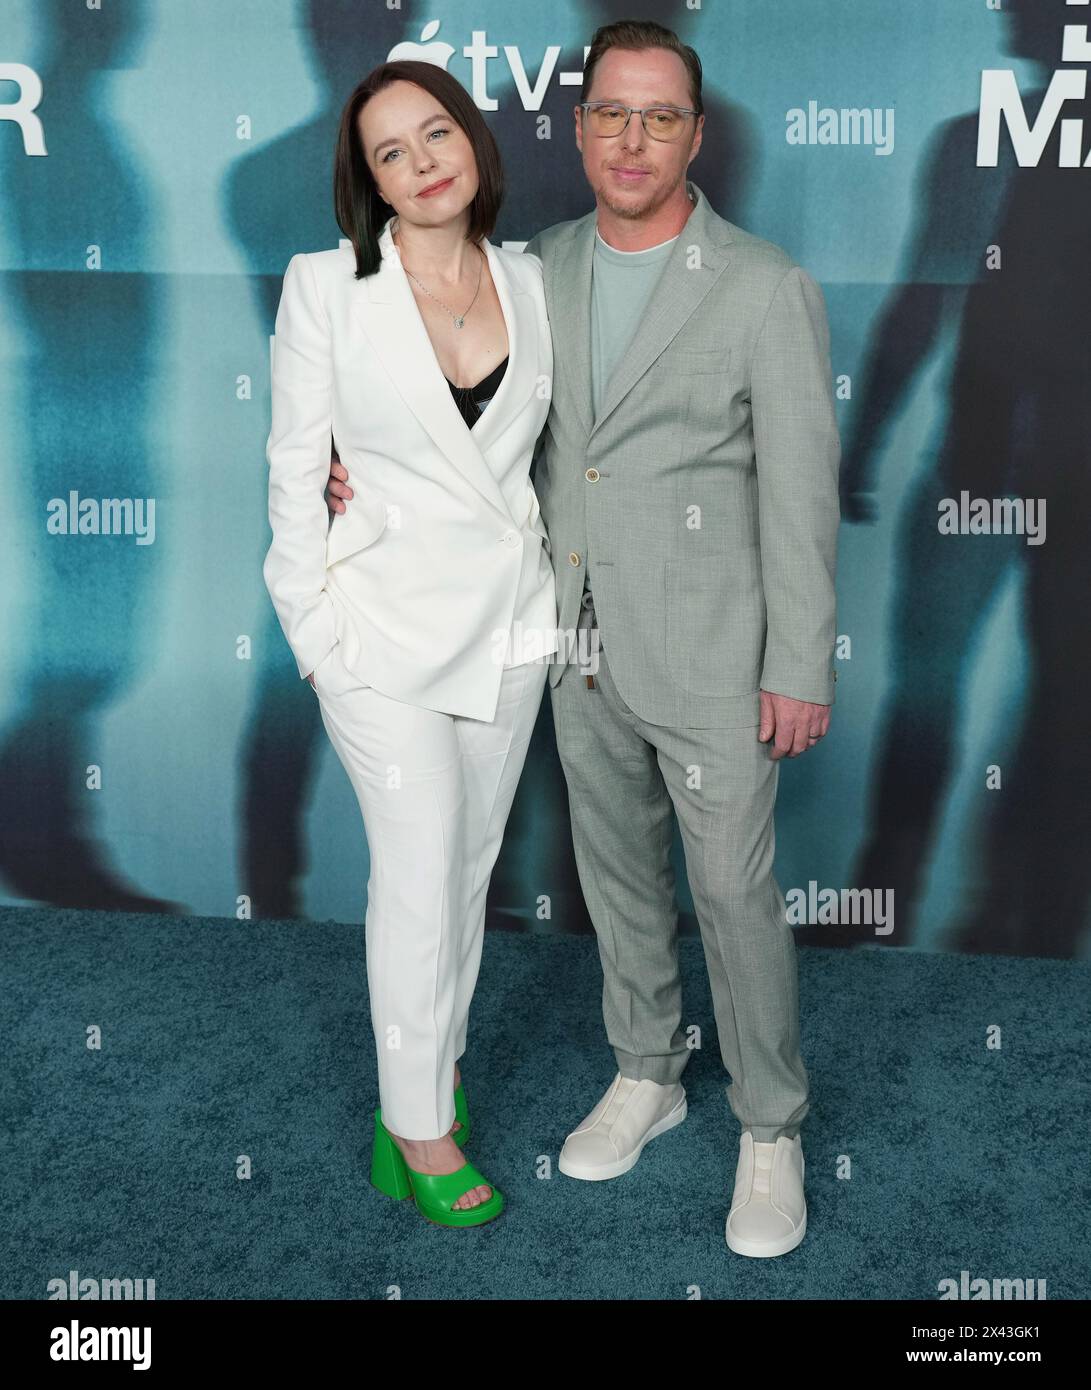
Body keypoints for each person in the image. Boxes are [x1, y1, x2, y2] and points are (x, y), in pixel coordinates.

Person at [328, 20, 840, 1257]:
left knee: (728, 890)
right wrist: (358, 477)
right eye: (611, 113)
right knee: (615, 880)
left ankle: (769, 1126)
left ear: (694, 135)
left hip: (716, 651)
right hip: (572, 642)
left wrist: (796, 662)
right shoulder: (531, 266)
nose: (632, 138)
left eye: (659, 117)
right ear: (576, 125)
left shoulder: (765, 287)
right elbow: (453, 406)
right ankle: (646, 1072)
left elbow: (800, 492)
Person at [263, 59, 558, 1229]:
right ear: (367, 180)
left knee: (467, 875)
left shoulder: (534, 280)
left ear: (473, 144)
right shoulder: (326, 288)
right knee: (418, 873)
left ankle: (422, 1086)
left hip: (509, 626)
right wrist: (315, 631)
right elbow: (293, 474)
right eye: (392, 150)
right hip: (377, 631)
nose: (422, 161)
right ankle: (419, 1127)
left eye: (436, 133)